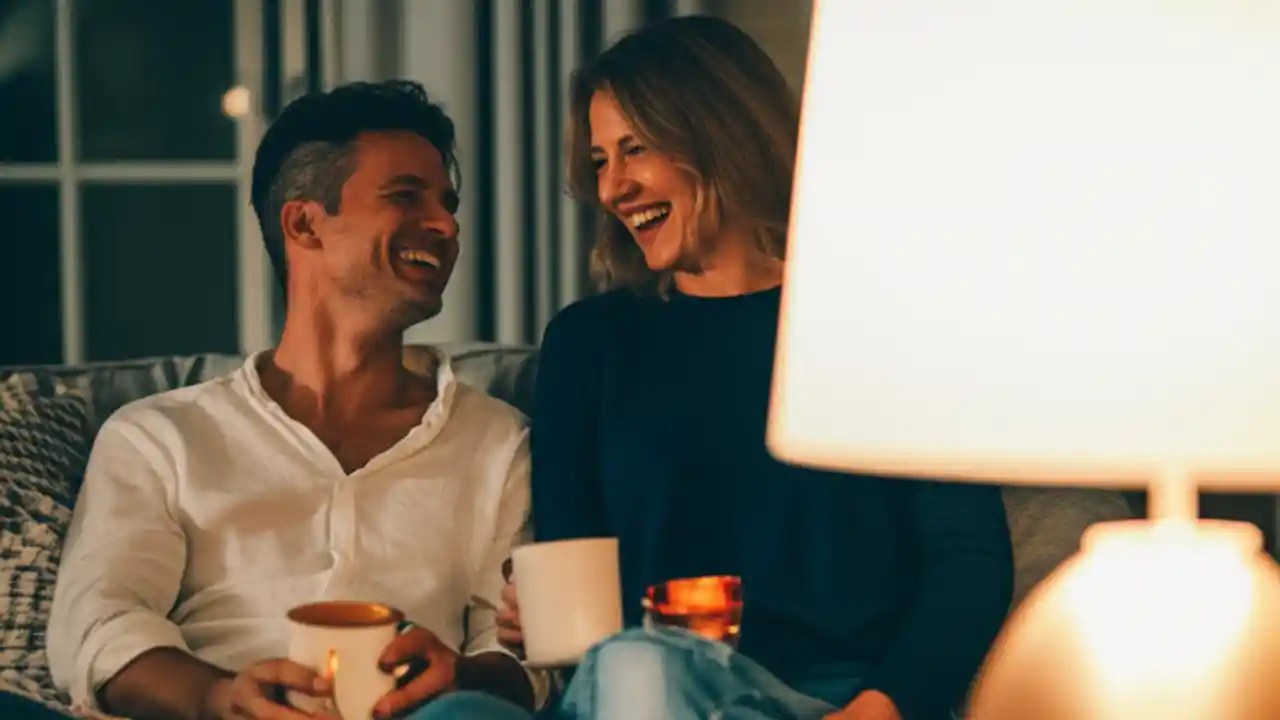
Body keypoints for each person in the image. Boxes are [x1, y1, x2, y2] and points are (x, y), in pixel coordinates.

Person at [448, 15, 1013, 720]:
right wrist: (540, 619)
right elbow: (578, 602)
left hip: (829, 698)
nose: (613, 188)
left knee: (636, 663)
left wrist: (882, 708)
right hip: (630, 685)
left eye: (636, 150)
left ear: (720, 134)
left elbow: (967, 563)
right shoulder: (588, 344)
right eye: (600, 162)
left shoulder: (881, 329)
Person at [47, 80, 544, 720]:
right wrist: (221, 697)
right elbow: (99, 625)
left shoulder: (498, 442)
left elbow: (522, 655)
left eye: (448, 204)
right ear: (304, 223)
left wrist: (462, 677)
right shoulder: (159, 437)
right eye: (406, 196)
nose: (447, 225)